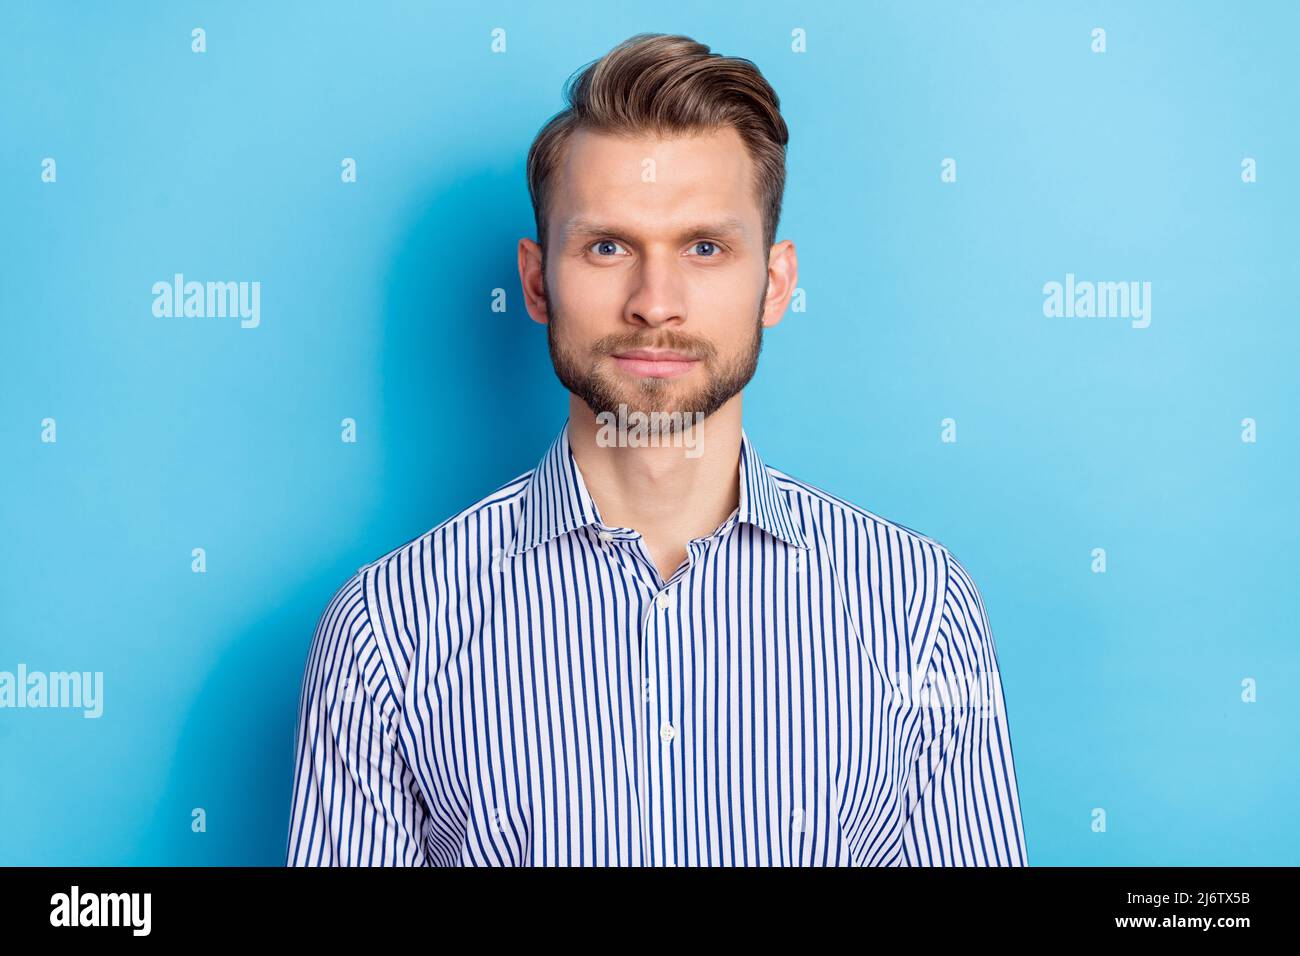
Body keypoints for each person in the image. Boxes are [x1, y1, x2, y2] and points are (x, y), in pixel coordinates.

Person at [286, 32, 1028, 866]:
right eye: (608, 247)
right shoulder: (387, 632)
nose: (655, 303)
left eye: (705, 248)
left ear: (775, 283)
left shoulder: (918, 610)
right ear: (537, 282)